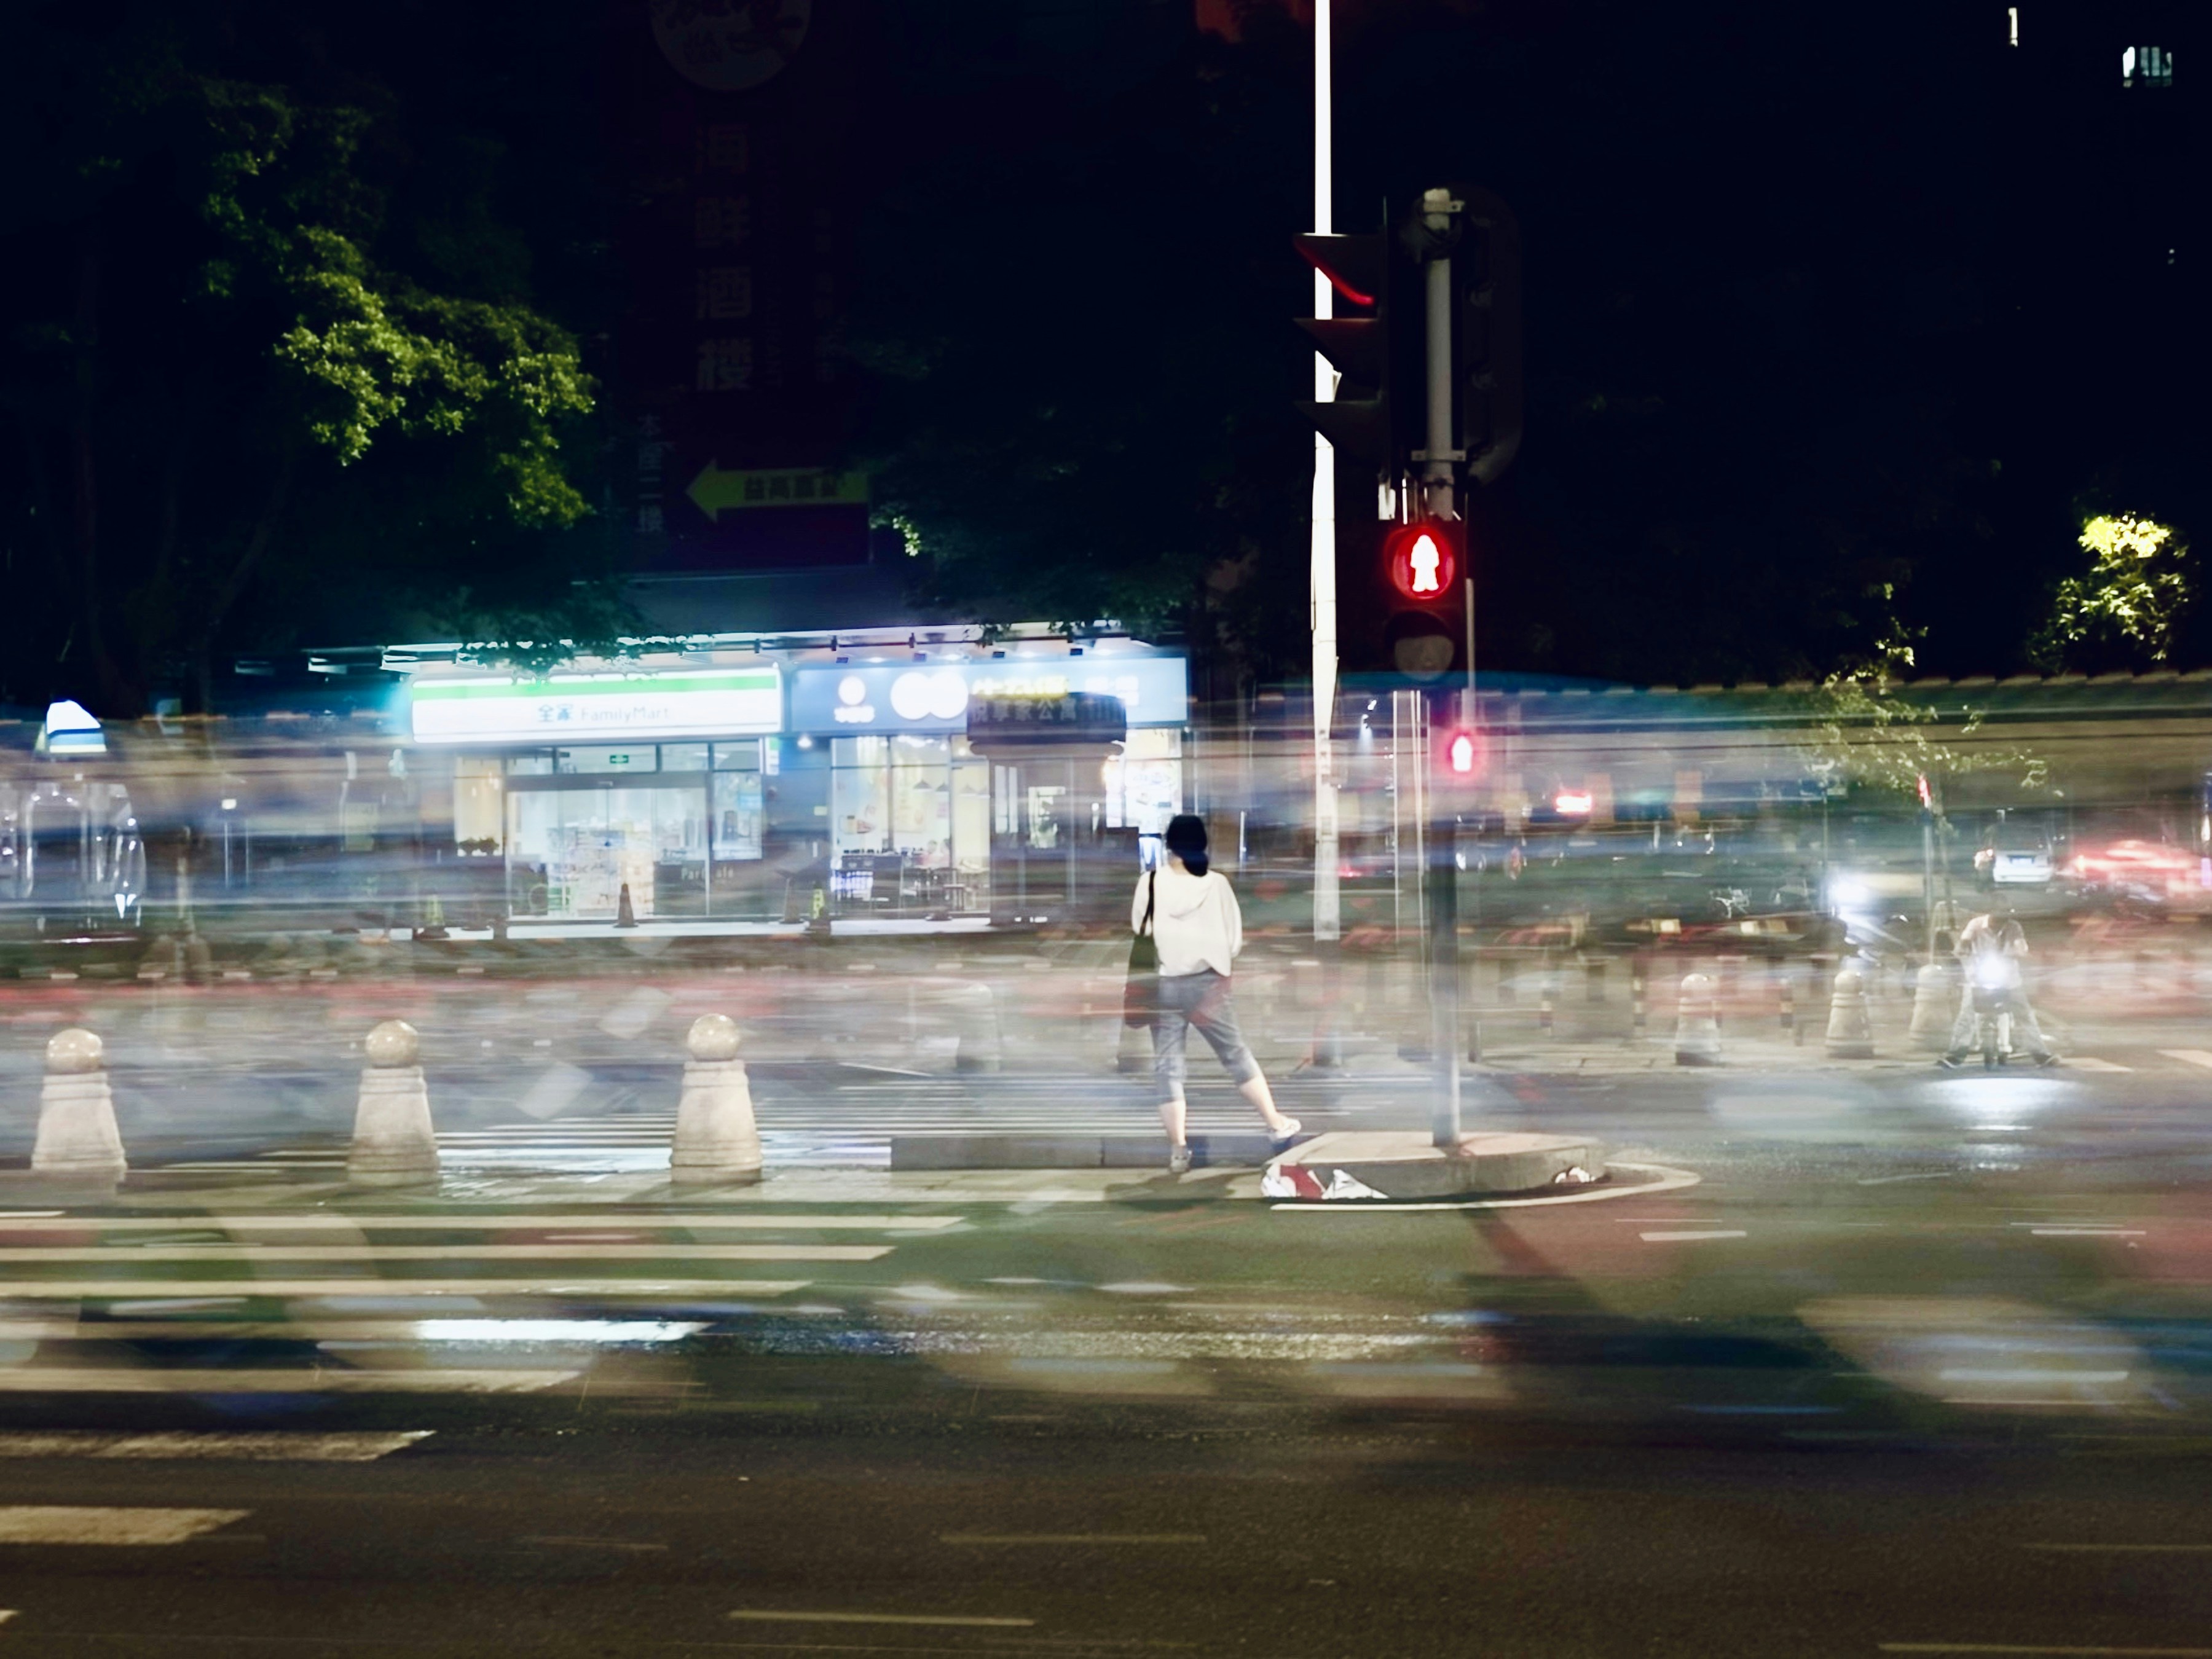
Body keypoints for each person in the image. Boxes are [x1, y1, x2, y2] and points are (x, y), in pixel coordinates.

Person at [1133, 814, 1300, 1174]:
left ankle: (1178, 1150)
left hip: (1163, 984)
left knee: (1168, 1067)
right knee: (1235, 1054)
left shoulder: (1149, 883)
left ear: (1169, 846)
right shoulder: (1217, 885)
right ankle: (1275, 1124)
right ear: (1201, 846)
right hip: (1207, 983)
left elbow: (1140, 927)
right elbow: (1234, 941)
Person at [1940, 903, 2057, 1067]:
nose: (2000, 922)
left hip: (2009, 979)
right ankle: (1955, 1055)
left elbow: (2020, 945)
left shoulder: (2013, 927)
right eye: (1997, 918)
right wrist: (1962, 948)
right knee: (1966, 1016)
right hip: (1978, 977)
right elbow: (1965, 940)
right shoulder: (1976, 925)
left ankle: (2041, 1055)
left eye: (2004, 918)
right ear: (1990, 914)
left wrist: (2020, 951)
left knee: (2025, 1015)